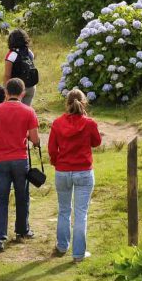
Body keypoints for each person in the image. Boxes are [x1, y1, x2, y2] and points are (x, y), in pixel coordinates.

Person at [0, 78, 40, 253]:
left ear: (6, 92)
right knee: (22, 196)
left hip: (0, 158)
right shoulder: (29, 111)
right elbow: (35, 138)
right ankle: (22, 230)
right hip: (20, 158)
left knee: (0, 198)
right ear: (23, 93)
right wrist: (29, 138)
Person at [48, 89, 102, 263]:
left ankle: (62, 246)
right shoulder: (89, 123)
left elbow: (51, 149)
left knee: (64, 210)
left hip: (63, 171)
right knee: (81, 213)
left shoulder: (57, 123)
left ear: (67, 103)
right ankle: (78, 254)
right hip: (84, 171)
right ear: (84, 102)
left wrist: (58, 163)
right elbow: (97, 142)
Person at [2, 29, 39, 106]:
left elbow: (7, 75)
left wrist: (5, 90)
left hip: (16, 90)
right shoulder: (29, 52)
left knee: (14, 113)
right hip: (31, 86)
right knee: (25, 111)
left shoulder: (12, 54)